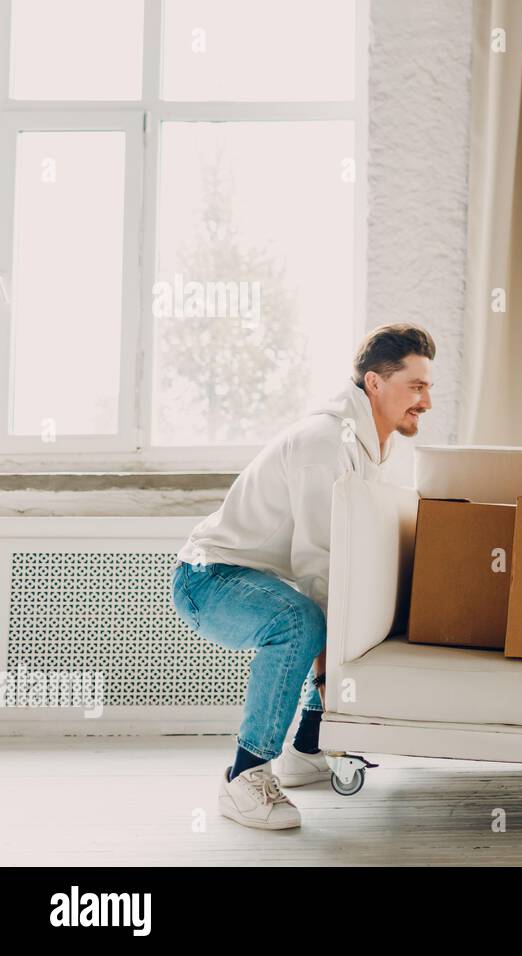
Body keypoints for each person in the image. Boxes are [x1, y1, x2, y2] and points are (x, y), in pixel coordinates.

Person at [171, 324, 435, 830]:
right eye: (416, 386)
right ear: (375, 384)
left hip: (251, 575)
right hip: (208, 579)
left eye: (428, 387)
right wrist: (330, 677)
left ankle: (309, 749)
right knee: (302, 622)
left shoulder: (371, 441)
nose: (425, 401)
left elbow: (354, 556)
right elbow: (321, 565)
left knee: (345, 614)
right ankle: (243, 778)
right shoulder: (324, 443)